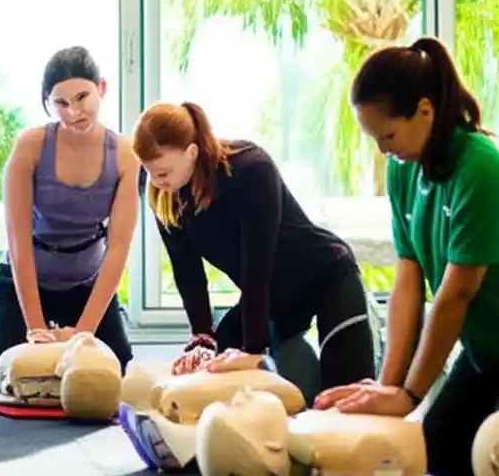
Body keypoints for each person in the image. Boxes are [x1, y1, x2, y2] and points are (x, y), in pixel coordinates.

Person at [316, 37, 499, 476]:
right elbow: (408, 283)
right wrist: (388, 386)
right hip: (483, 354)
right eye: (374, 139)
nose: (383, 150)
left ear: (425, 110)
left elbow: (454, 297)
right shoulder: (404, 168)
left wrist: (411, 395)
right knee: (436, 448)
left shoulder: (481, 168)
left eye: (388, 135)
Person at [131, 101, 376, 391]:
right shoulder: (165, 193)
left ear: (192, 152)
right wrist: (202, 336)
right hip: (275, 298)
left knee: (346, 395)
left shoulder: (250, 169)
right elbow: (187, 272)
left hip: (326, 277)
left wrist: (253, 350)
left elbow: (257, 266)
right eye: (150, 173)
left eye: (162, 173)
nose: (157, 183)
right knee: (213, 370)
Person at [0, 47, 138, 389]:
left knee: (115, 369)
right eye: (61, 103)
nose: (74, 111)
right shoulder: (31, 146)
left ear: (102, 88)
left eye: (82, 97)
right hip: (24, 280)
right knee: (9, 372)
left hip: (86, 283)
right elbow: (18, 242)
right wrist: (38, 331)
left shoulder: (126, 155)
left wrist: (82, 335)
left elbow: (117, 251)